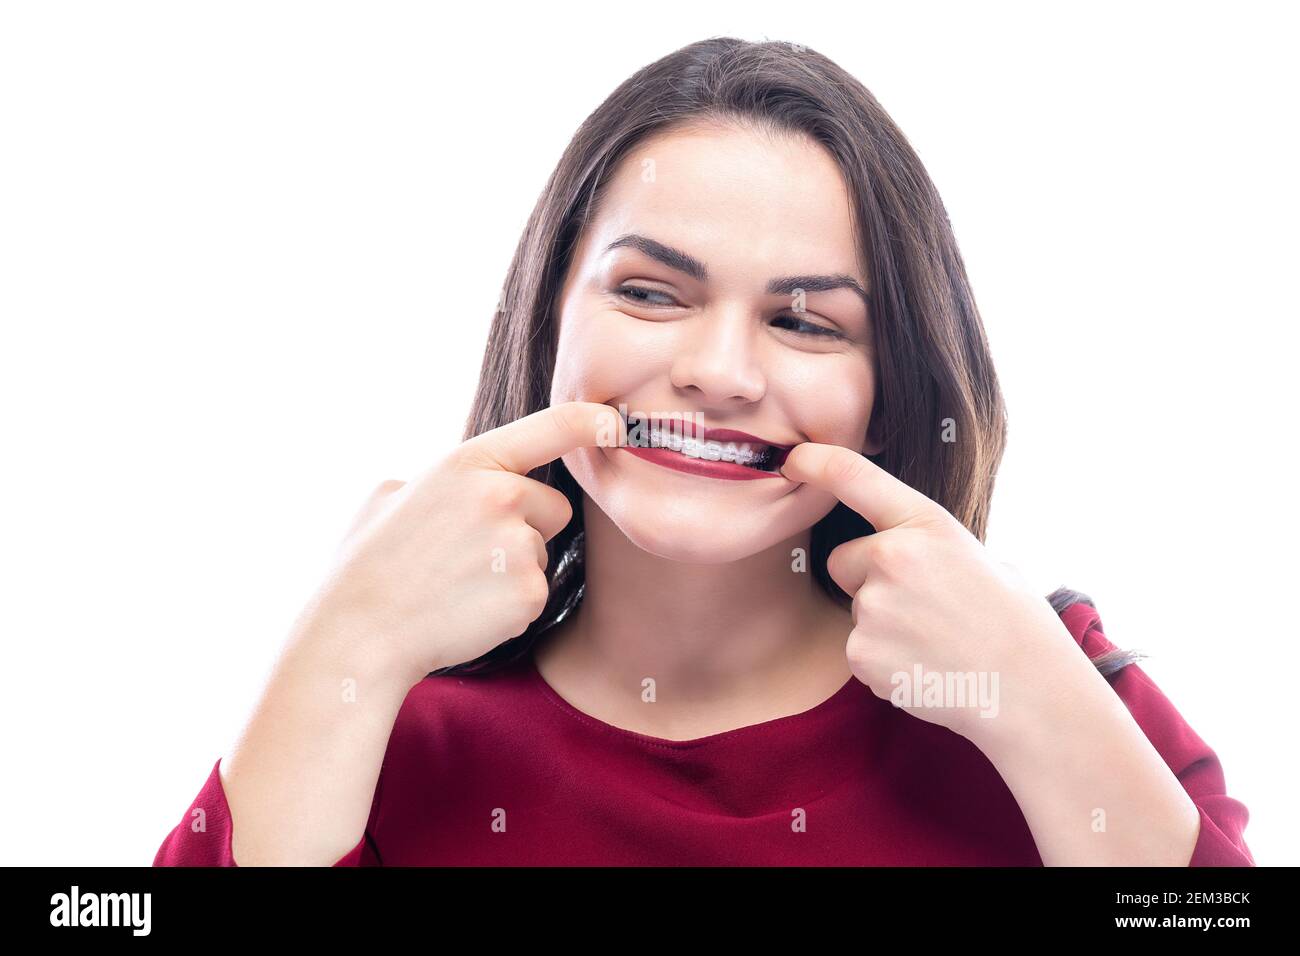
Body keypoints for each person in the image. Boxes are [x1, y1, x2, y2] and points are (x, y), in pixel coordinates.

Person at [153, 37, 1254, 867]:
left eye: (807, 320)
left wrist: (1036, 704)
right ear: (548, 325)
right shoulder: (394, 725)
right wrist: (343, 640)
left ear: (887, 395)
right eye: (649, 292)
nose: (720, 370)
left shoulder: (1056, 679)